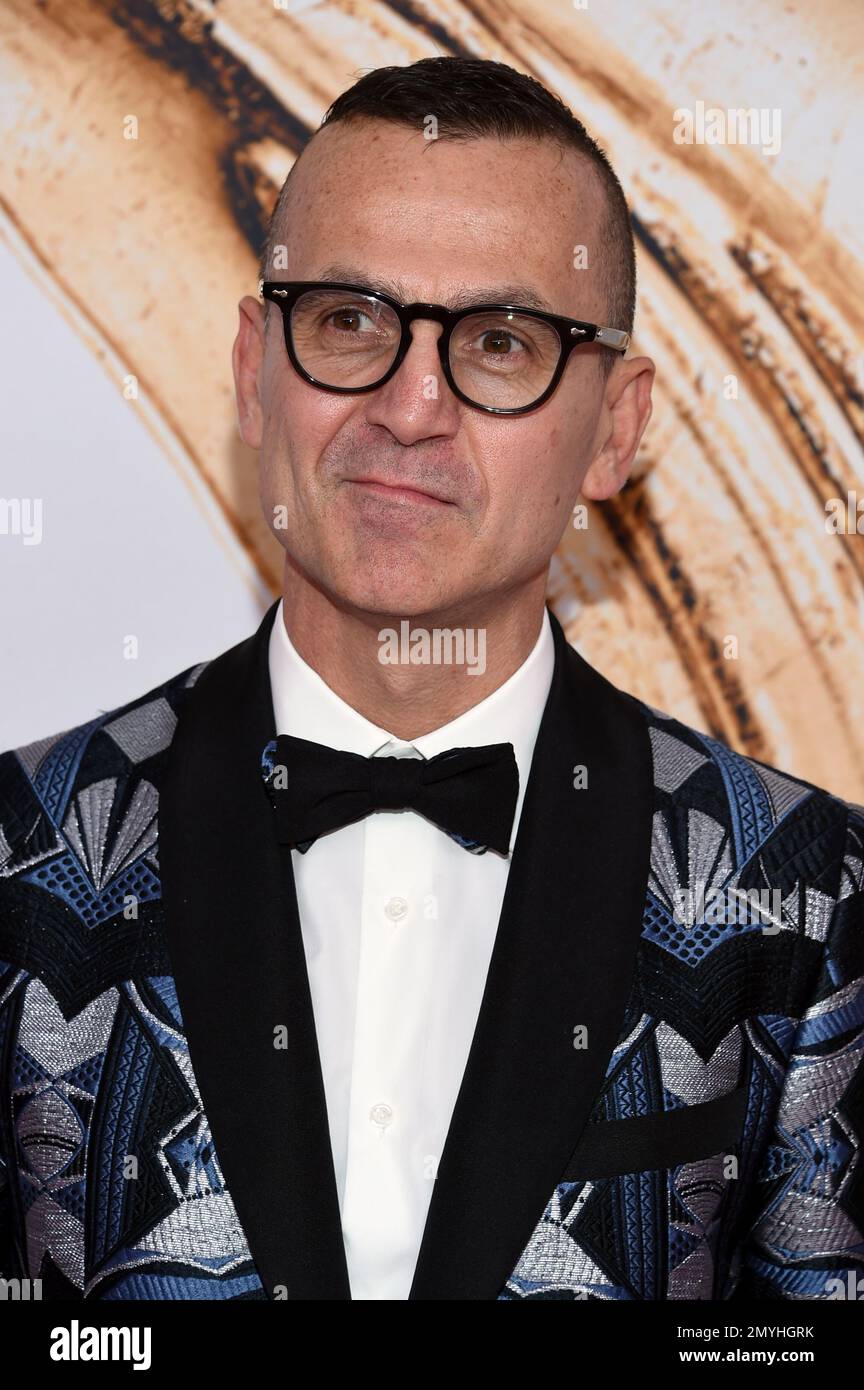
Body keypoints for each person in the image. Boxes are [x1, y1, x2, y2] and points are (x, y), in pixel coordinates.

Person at [0, 56, 861, 1303]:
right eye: (349, 318)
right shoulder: (20, 857)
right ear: (257, 370)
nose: (409, 407)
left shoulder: (808, 899)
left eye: (501, 343)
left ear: (616, 428)